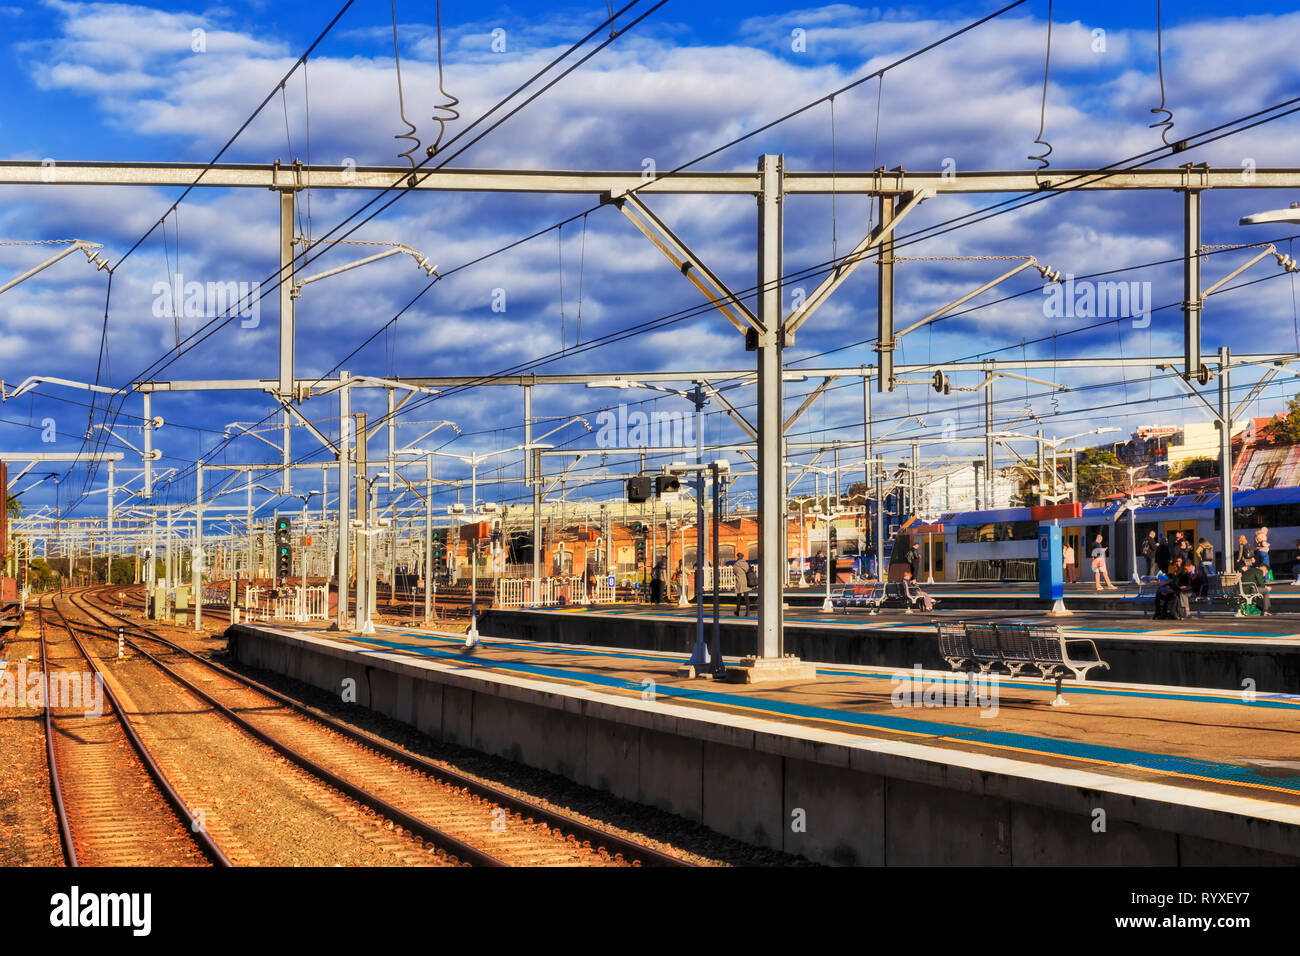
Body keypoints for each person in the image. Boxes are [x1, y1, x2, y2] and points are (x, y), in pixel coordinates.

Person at [733, 550, 752, 617]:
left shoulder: (735, 564)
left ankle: (737, 611)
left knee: (739, 598)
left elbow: (734, 572)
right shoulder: (746, 563)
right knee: (746, 598)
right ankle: (747, 612)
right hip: (746, 582)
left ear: (737, 557)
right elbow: (747, 570)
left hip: (739, 582)